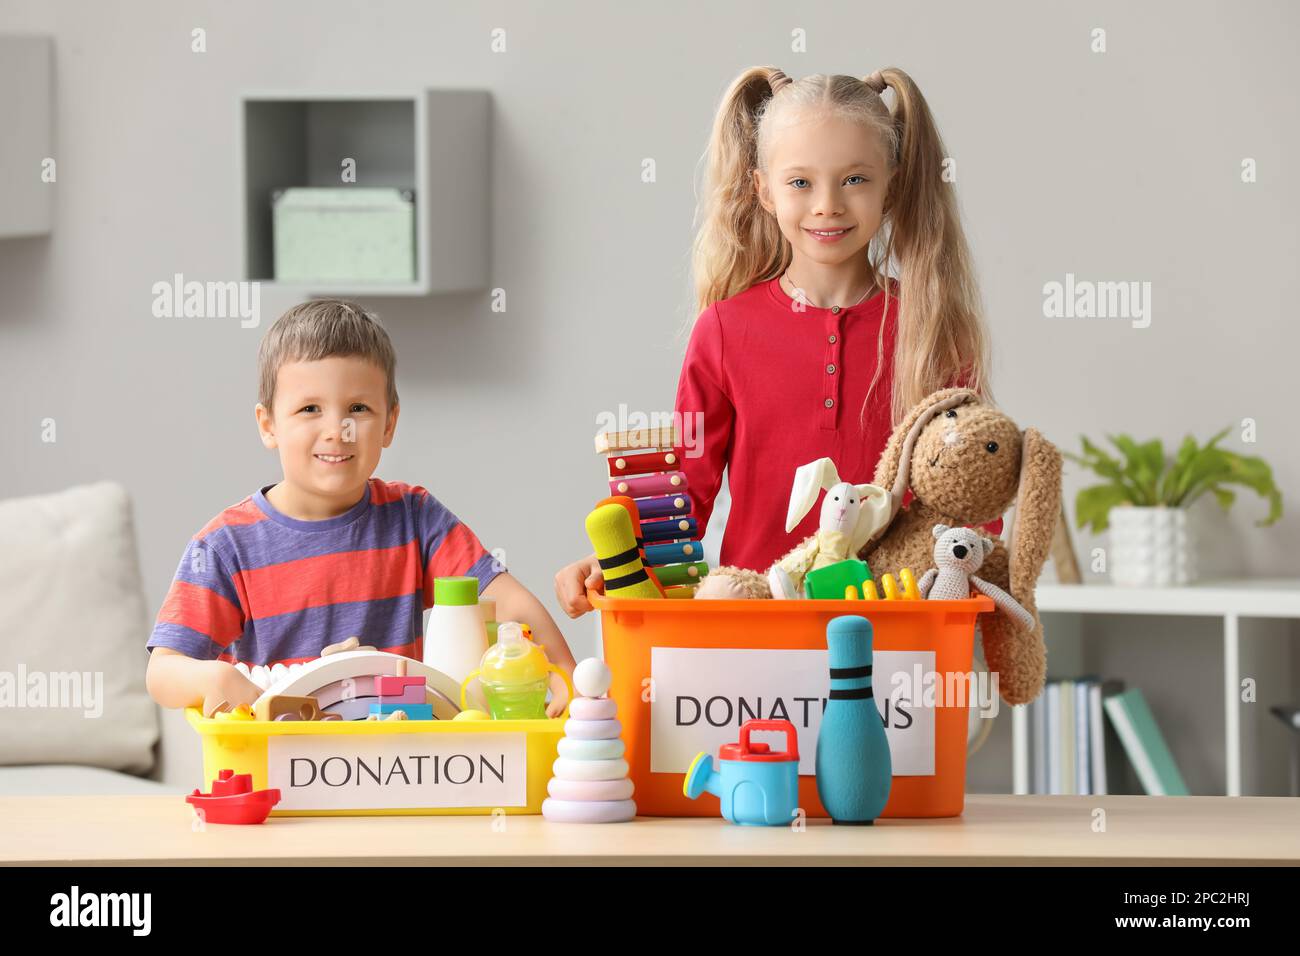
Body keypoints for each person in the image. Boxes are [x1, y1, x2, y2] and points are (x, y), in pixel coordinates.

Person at [557, 67, 997, 616]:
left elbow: (973, 485)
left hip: (900, 620)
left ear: (893, 185)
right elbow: (682, 496)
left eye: (855, 179)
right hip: (753, 618)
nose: (827, 204)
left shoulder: (934, 328)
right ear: (762, 190)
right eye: (800, 182)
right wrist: (614, 561)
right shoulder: (723, 329)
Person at [146, 299, 575, 717]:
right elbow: (163, 671)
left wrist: (563, 676)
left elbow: (509, 607)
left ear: (389, 423)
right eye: (309, 409)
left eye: (358, 409)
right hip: (282, 767)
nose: (337, 430)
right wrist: (214, 680)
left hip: (399, 765)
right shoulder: (225, 546)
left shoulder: (415, 518)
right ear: (268, 424)